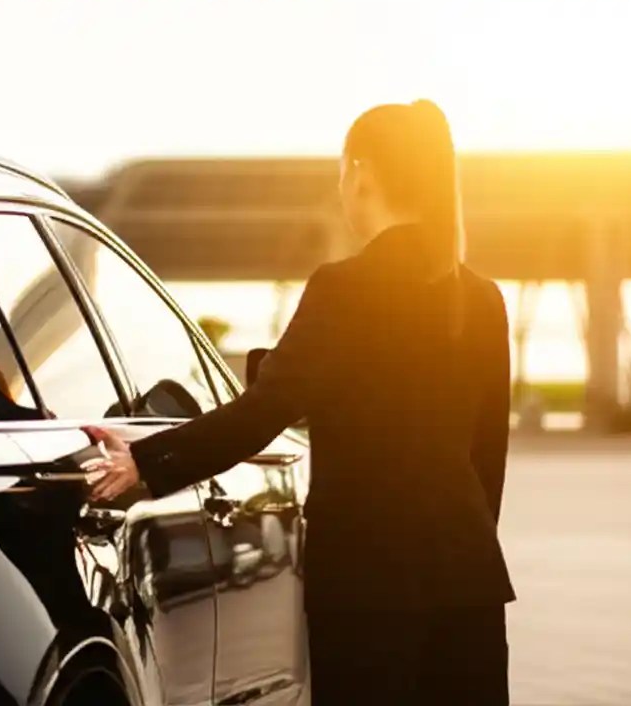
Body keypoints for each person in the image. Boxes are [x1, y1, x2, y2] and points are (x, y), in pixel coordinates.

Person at [86, 99, 515, 704]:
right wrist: (455, 549)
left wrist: (147, 461)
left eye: (343, 171)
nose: (343, 188)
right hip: (468, 582)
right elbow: (487, 460)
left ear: (362, 172)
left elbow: (262, 412)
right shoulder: (481, 299)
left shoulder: (343, 289)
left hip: (368, 591)